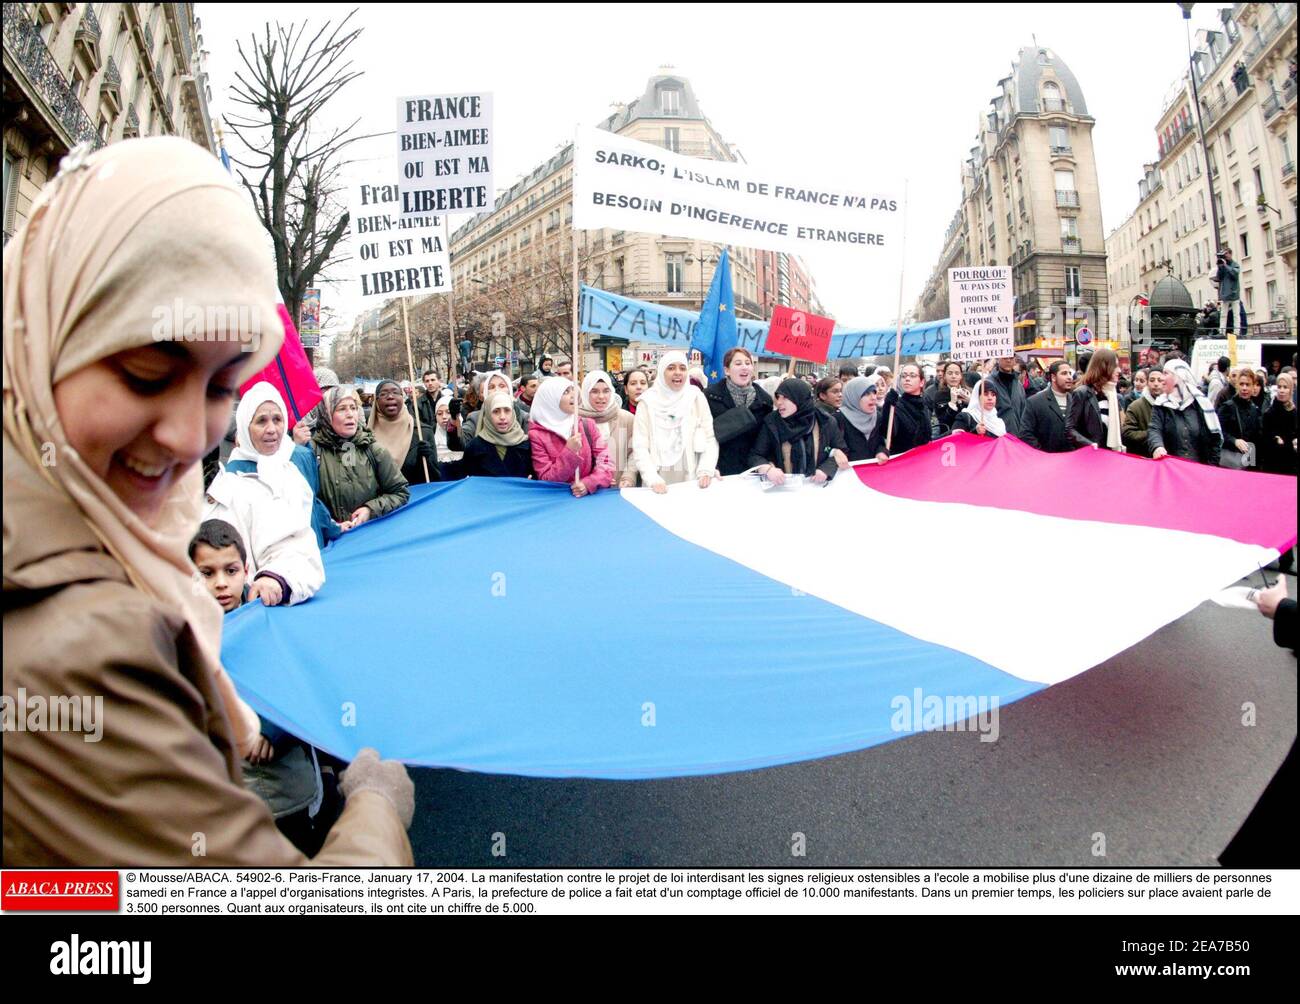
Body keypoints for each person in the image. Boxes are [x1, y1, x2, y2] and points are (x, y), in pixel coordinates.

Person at [3, 136, 412, 866]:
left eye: (224, 385)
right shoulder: (75, 652)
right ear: (43, 335)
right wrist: (378, 805)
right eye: (144, 372)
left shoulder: (119, 532)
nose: (192, 437)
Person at [204, 382, 327, 605]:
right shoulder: (230, 485)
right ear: (243, 427)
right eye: (261, 421)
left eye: (277, 420)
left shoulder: (289, 472)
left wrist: (278, 579)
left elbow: (299, 541)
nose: (272, 429)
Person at [312, 385, 410, 529]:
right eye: (341, 409)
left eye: (353, 407)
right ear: (326, 414)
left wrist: (370, 510)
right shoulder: (312, 452)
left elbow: (400, 492)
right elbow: (305, 502)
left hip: (368, 537)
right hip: (330, 544)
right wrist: (331, 526)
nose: (350, 414)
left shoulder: (373, 449)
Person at [632, 350, 719, 493]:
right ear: (661, 372)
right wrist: (652, 479)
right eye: (671, 368)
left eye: (682, 368)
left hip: (693, 480)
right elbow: (640, 446)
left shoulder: (696, 397)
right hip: (658, 483)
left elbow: (710, 438)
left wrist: (706, 470)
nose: (678, 372)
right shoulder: (647, 403)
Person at [748, 378, 846, 484]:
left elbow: (841, 450)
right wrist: (767, 469)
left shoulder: (824, 421)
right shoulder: (772, 422)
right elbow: (756, 455)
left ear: (799, 398)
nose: (779, 402)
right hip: (782, 488)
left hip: (816, 487)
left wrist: (826, 468)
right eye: (778, 397)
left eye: (785, 398)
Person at [529, 377, 615, 496]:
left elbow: (605, 460)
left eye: (572, 390)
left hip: (588, 497)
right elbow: (546, 478)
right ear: (550, 399)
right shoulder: (537, 435)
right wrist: (570, 452)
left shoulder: (587, 425)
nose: (573, 395)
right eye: (566, 392)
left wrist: (589, 483)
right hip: (556, 500)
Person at [703, 347, 774, 476]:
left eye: (748, 363)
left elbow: (767, 440)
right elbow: (705, 436)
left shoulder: (765, 400)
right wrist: (708, 467)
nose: (744, 367)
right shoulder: (710, 397)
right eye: (738, 363)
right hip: (720, 472)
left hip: (754, 472)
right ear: (727, 370)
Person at [1148, 359, 1223, 466]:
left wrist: (1212, 467)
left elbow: (1214, 438)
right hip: (1171, 469)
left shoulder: (1202, 404)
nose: (1161, 378)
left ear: (1179, 377)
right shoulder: (1161, 405)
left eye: (1166, 373)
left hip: (1199, 471)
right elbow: (1154, 429)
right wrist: (1157, 447)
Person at [368, 379, 440, 486]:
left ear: (402, 398)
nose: (390, 397)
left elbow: (435, 479)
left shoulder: (422, 432)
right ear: (376, 401)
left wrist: (428, 459)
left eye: (395, 393)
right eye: (383, 394)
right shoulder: (365, 436)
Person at [580, 370, 636, 488]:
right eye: (594, 391)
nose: (601, 396)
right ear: (585, 393)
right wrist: (592, 481)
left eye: (606, 391)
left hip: (619, 491)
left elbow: (635, 452)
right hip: (585, 491)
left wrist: (628, 477)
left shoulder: (627, 419)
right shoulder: (575, 421)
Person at [869, 362, 931, 463]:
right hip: (903, 464)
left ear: (922, 382)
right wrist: (888, 406)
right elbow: (888, 432)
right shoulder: (896, 405)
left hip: (923, 461)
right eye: (903, 376)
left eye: (912, 375)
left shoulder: (925, 404)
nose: (907, 379)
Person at [461, 391, 532, 477]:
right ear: (487, 414)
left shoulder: (527, 445)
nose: (502, 417)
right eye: (496, 411)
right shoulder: (474, 447)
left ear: (513, 413)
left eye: (507, 411)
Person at [1066, 348, 1124, 451]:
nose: (1119, 370)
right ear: (1103, 367)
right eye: (1115, 366)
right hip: (1089, 457)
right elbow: (1070, 429)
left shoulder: (1113, 395)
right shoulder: (1082, 393)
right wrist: (1089, 445)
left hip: (1111, 456)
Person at [1020, 361, 1076, 453]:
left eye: (1070, 373)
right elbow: (1025, 433)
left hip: (1071, 461)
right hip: (1045, 461)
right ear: (1053, 377)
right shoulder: (1035, 402)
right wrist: (1042, 454)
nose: (1069, 377)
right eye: (1064, 373)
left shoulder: (1076, 401)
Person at [1218, 367, 1265, 470]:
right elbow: (1219, 432)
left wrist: (1254, 467)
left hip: (1248, 463)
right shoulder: (1227, 407)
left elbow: (1256, 440)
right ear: (1237, 385)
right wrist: (1234, 441)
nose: (1244, 388)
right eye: (1241, 384)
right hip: (1230, 463)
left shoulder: (1255, 410)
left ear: (1253, 387)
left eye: (1248, 385)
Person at [461, 371, 528, 442]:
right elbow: (461, 442)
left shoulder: (524, 417)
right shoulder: (475, 418)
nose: (497, 390)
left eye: (502, 386)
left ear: (510, 390)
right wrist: (454, 420)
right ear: (485, 393)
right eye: (491, 387)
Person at [1121, 365, 1166, 457]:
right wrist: (1154, 434)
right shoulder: (1135, 406)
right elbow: (1127, 433)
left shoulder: (1172, 406)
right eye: (1152, 380)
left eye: (1159, 380)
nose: (1156, 384)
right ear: (1148, 383)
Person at [838, 375, 881, 460]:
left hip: (873, 470)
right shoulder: (838, 419)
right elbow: (828, 448)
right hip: (849, 471)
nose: (873, 397)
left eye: (874, 392)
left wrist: (881, 451)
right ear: (854, 396)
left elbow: (880, 442)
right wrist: (835, 452)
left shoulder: (877, 416)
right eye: (867, 394)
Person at [1261, 372, 1297, 475]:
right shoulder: (1269, 413)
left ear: (1291, 389)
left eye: (1285, 387)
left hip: (1291, 463)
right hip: (1273, 463)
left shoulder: (1294, 412)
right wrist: (1275, 438)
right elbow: (1264, 435)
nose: (1281, 390)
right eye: (1279, 387)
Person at [986, 356, 1029, 436]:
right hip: (994, 438)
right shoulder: (987, 383)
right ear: (998, 358)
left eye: (1011, 357)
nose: (1008, 360)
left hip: (1015, 438)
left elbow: (1023, 413)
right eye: (1005, 357)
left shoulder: (1018, 385)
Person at [929, 361, 971, 435]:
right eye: (950, 373)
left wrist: (970, 402)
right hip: (949, 437)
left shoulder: (969, 392)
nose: (953, 376)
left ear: (961, 376)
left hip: (969, 435)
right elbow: (944, 421)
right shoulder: (939, 395)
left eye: (957, 373)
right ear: (944, 376)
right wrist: (952, 403)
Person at [1212, 248, 1241, 338]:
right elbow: (1219, 277)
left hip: (1234, 293)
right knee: (1223, 314)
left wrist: (1226, 266)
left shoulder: (1235, 265)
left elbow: (1235, 274)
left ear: (1230, 254)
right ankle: (1222, 331)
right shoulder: (1223, 265)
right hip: (1225, 294)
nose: (1225, 256)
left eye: (1226, 254)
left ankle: (1237, 331)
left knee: (1236, 314)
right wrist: (1220, 267)